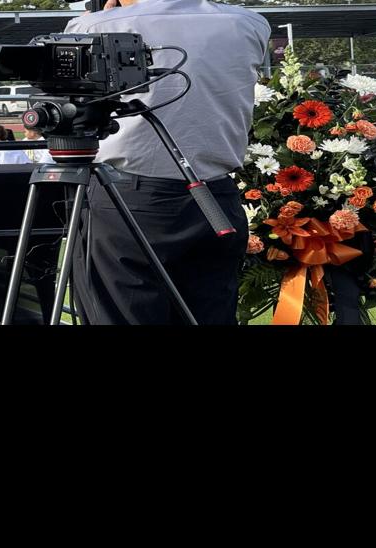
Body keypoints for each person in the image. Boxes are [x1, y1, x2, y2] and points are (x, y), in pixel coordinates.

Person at [64, 0, 269, 324]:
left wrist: (99, 19)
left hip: (126, 197)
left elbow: (66, 105)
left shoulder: (92, 27)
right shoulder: (249, 23)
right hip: (216, 198)